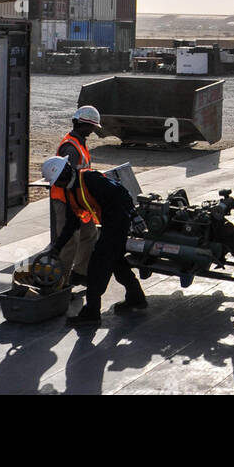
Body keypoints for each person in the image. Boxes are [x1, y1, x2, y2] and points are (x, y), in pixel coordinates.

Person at [39, 155, 147, 327]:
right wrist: (56, 247)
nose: (56, 186)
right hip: (109, 222)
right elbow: (72, 223)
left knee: (97, 266)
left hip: (118, 221)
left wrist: (135, 216)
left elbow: (121, 192)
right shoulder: (70, 190)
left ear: (63, 174)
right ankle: (136, 299)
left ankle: (91, 313)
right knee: (117, 263)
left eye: (56, 181)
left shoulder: (90, 178)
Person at [50, 106, 102, 288]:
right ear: (82, 125)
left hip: (80, 200)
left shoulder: (79, 142)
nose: (94, 130)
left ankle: (80, 273)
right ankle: (61, 284)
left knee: (90, 233)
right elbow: (67, 180)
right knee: (69, 242)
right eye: (92, 126)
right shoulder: (70, 147)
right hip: (66, 200)